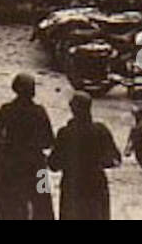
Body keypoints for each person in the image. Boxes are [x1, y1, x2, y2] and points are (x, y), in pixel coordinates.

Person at [0, 73, 55, 220]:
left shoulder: (6, 110)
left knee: (8, 208)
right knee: (42, 206)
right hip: (36, 165)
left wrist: (0, 159)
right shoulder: (39, 112)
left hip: (11, 164)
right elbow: (49, 140)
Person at [48, 91, 121, 221]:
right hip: (96, 184)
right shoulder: (101, 130)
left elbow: (54, 164)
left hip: (72, 186)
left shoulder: (65, 133)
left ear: (73, 110)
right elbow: (115, 159)